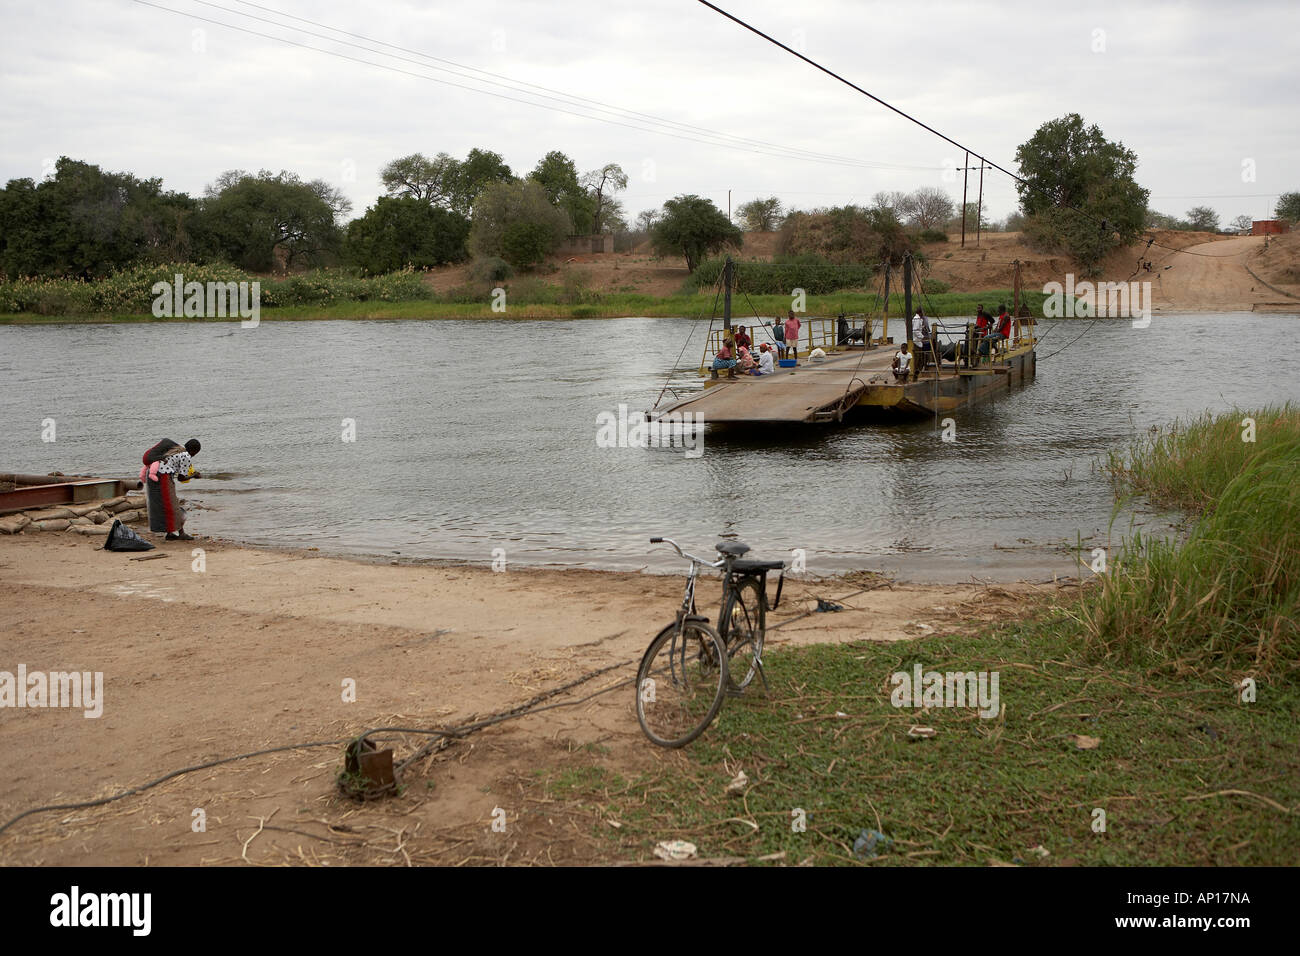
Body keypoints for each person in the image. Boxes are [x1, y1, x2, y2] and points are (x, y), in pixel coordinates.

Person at [140, 437, 201, 540]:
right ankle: (181, 533)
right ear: (194, 451)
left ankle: (169, 533)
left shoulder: (177, 449)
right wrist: (194, 475)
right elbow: (181, 478)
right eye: (195, 453)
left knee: (163, 505)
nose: (194, 455)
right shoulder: (186, 455)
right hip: (163, 477)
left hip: (153, 475)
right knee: (172, 505)